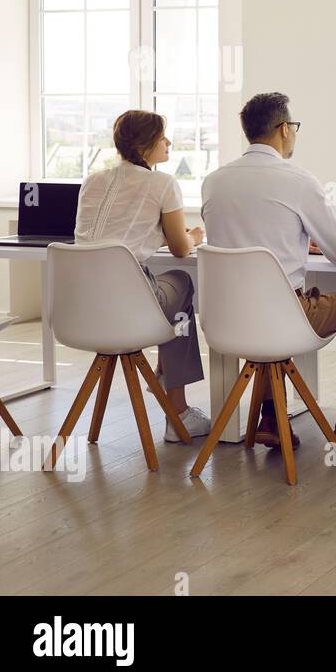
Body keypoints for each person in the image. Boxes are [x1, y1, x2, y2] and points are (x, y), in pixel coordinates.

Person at [201, 92, 336, 448]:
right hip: (285, 318)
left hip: (225, 319)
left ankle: (272, 418)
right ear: (284, 129)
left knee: (271, 302)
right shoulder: (298, 180)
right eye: (296, 128)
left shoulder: (214, 181)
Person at [74, 109, 209, 442]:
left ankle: (169, 381)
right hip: (129, 307)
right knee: (182, 281)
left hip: (82, 310)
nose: (168, 142)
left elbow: (113, 236)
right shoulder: (163, 183)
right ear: (145, 143)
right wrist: (195, 236)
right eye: (162, 136)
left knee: (167, 294)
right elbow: (180, 249)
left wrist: (158, 234)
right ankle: (176, 406)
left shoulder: (93, 180)